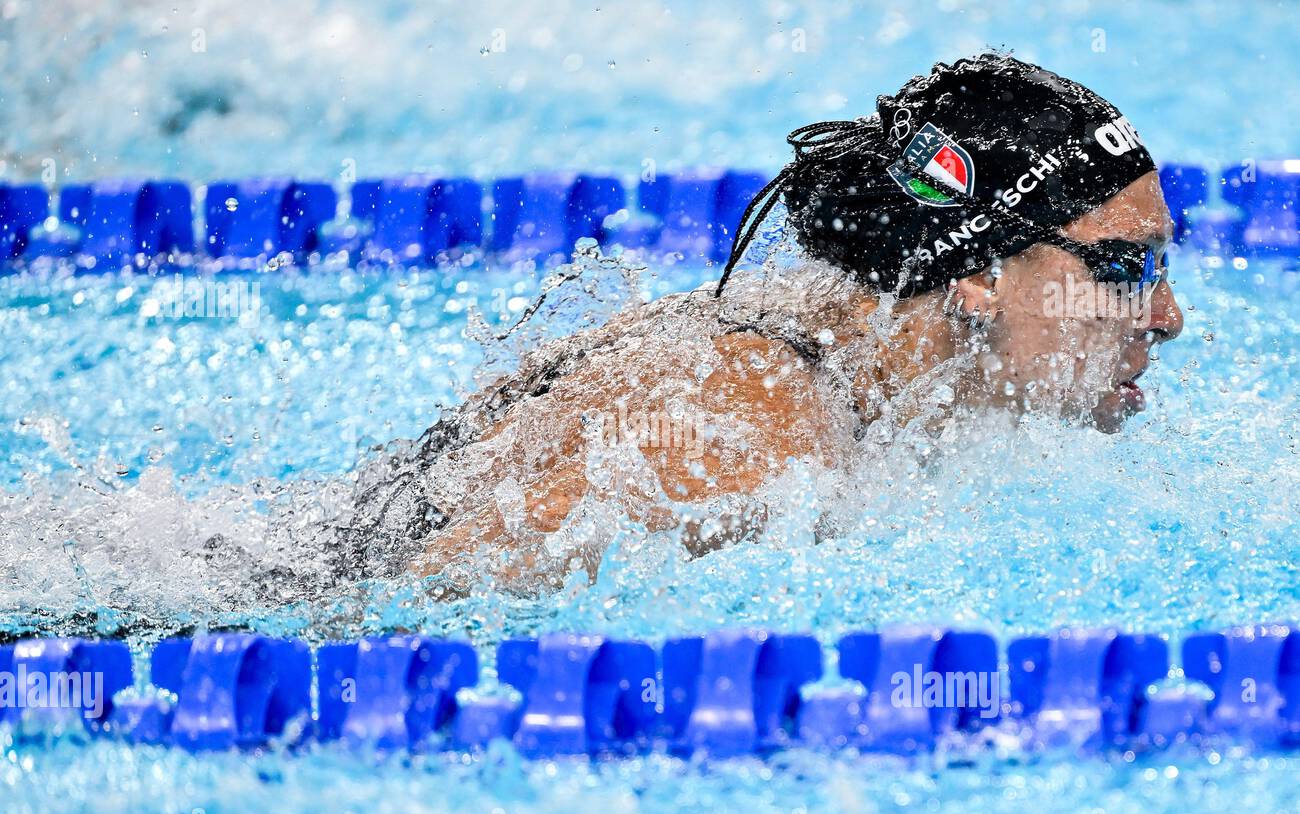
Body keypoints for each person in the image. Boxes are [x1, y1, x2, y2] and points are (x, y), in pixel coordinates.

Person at [334, 53, 1183, 594]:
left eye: (1164, 265)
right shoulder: (751, 424)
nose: (1167, 317)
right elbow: (398, 608)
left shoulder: (845, 362)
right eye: (1121, 265)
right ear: (975, 275)